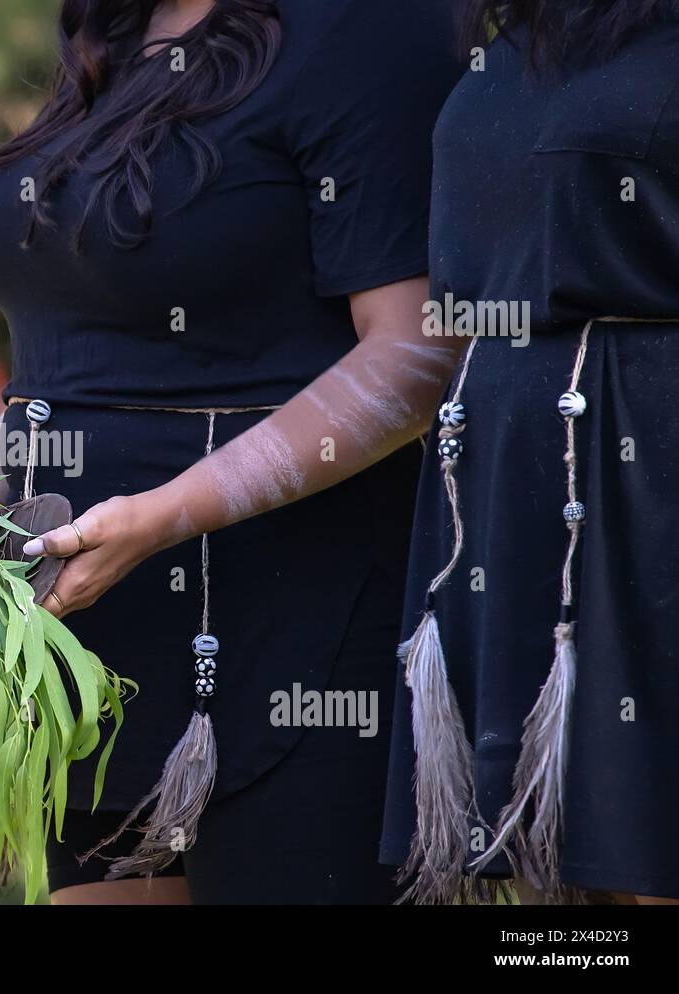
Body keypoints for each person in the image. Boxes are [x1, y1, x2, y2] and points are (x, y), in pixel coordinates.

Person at [0, 0, 465, 904]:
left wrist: (162, 516)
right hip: (82, 659)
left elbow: (416, 352)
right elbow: (80, 378)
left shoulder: (370, 27)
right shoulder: (112, 32)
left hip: (301, 639)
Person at [379, 0, 679, 905]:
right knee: (561, 888)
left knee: (647, 849)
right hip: (509, 475)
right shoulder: (514, 32)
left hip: (651, 475)